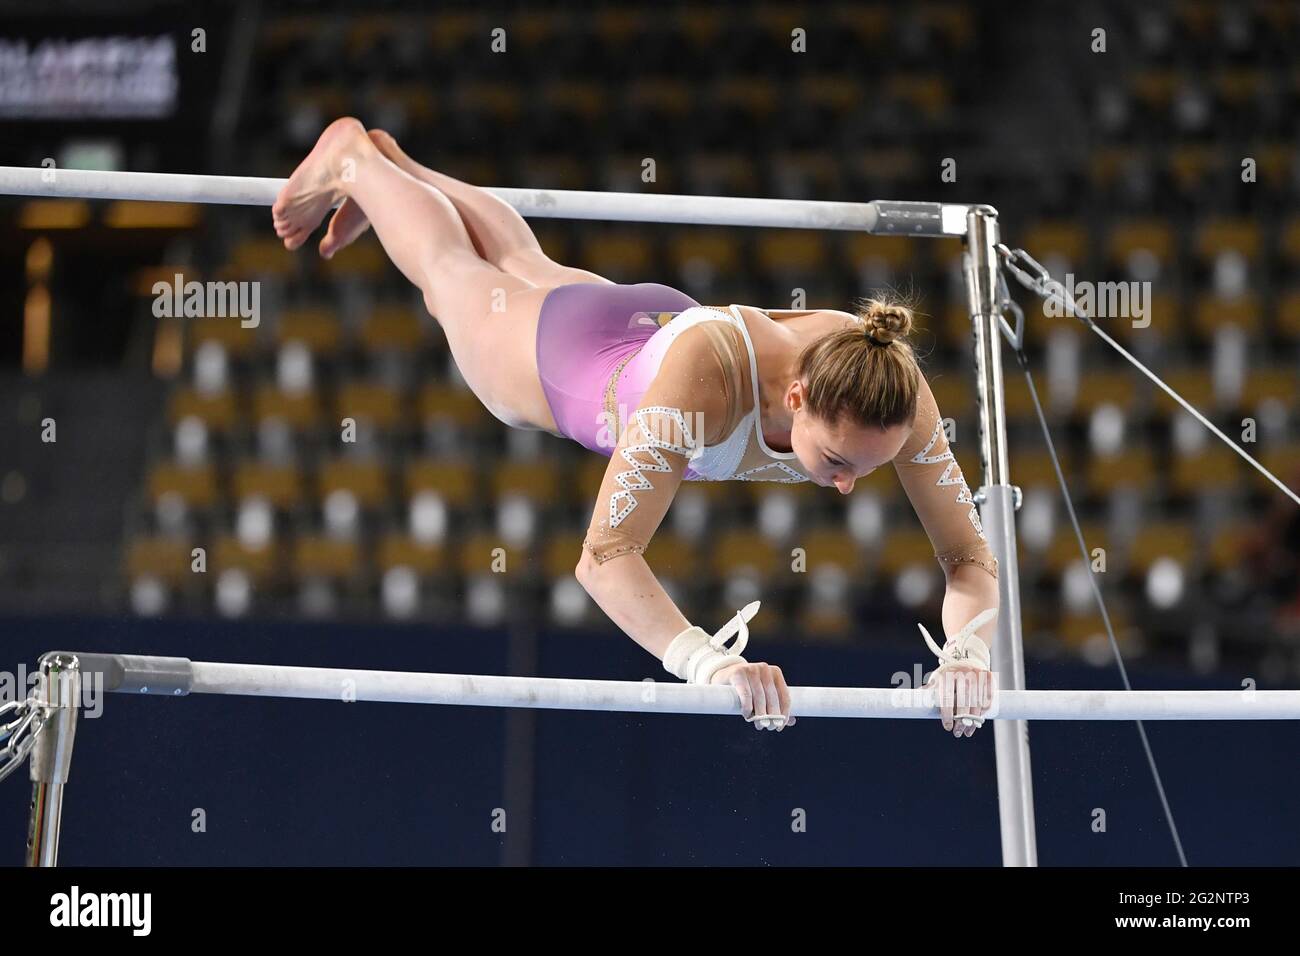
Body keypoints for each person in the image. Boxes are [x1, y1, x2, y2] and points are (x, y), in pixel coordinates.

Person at [273, 118, 999, 736]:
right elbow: (605, 556)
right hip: (565, 368)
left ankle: (397, 173)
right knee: (448, 274)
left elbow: (969, 557)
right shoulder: (707, 391)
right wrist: (707, 661)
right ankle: (354, 159)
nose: (844, 487)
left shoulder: (890, 386)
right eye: (838, 461)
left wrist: (968, 652)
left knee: (523, 263)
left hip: (647, 324)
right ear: (799, 394)